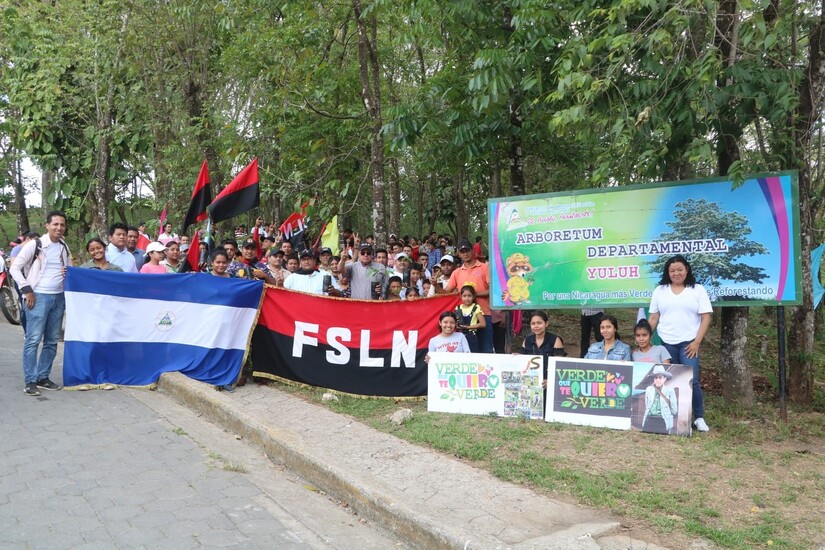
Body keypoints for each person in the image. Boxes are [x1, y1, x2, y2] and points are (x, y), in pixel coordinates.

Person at [648, 254, 712, 433]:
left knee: (693, 381)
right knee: (670, 381)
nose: (676, 273)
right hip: (666, 343)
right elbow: (653, 317)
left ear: (687, 270)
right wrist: (646, 338)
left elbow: (706, 316)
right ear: (667, 273)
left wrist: (697, 342)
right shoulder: (660, 290)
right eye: (672, 270)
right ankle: (675, 417)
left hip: (689, 345)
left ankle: (698, 418)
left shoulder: (697, 289)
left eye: (679, 269)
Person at [10, 210, 71, 396]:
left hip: (58, 298)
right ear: (47, 225)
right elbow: (14, 268)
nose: (59, 228)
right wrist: (27, 289)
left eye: (62, 225)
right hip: (38, 297)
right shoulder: (35, 245)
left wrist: (66, 272)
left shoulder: (63, 246)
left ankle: (43, 376)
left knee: (52, 341)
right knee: (33, 340)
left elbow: (68, 269)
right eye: (55, 224)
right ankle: (30, 381)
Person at [445, 239, 493, 352]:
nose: (465, 253)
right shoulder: (456, 272)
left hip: (484, 314)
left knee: (486, 350)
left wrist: (473, 295)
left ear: (473, 251)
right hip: (465, 317)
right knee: (468, 352)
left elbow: (493, 290)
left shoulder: (485, 267)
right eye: (462, 251)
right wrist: (435, 284)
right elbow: (446, 291)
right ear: (459, 254)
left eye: (467, 250)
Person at [514, 310, 566, 391]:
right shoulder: (527, 340)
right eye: (533, 323)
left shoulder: (555, 340)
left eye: (539, 323)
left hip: (550, 382)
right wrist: (515, 357)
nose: (536, 326)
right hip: (530, 382)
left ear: (546, 324)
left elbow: (559, 365)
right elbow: (521, 360)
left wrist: (551, 380)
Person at [641, 364, 678, 434]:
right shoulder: (649, 389)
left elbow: (674, 408)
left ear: (664, 379)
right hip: (649, 419)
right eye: (656, 378)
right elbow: (647, 403)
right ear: (653, 379)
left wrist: (669, 415)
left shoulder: (669, 390)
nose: (658, 380)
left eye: (660, 377)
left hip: (662, 419)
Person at [454, 285, 486, 352]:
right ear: (461, 296)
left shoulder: (476, 307)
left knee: (473, 355)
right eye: (464, 296)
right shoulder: (458, 308)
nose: (467, 298)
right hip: (459, 335)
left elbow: (483, 324)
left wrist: (468, 327)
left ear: (473, 297)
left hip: (471, 336)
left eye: (469, 296)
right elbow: (455, 321)